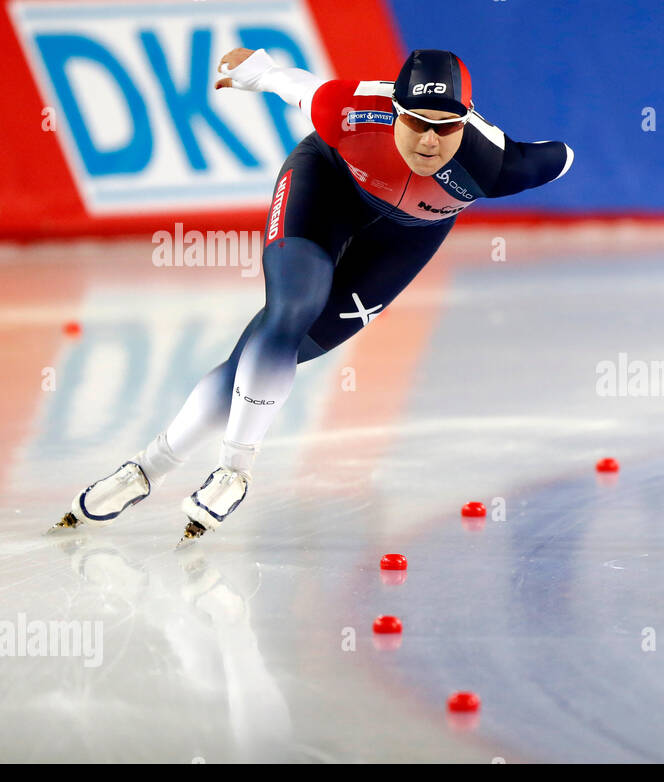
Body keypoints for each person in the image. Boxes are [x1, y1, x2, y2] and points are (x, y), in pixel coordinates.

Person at [49, 47, 574, 546]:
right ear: (393, 110)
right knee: (291, 309)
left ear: (466, 120)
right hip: (325, 186)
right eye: (415, 122)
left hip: (406, 236)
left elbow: (562, 156)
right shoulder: (348, 109)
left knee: (274, 352)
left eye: (446, 126)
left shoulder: (501, 164)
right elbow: (290, 83)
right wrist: (255, 69)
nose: (430, 141)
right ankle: (235, 470)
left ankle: (147, 468)